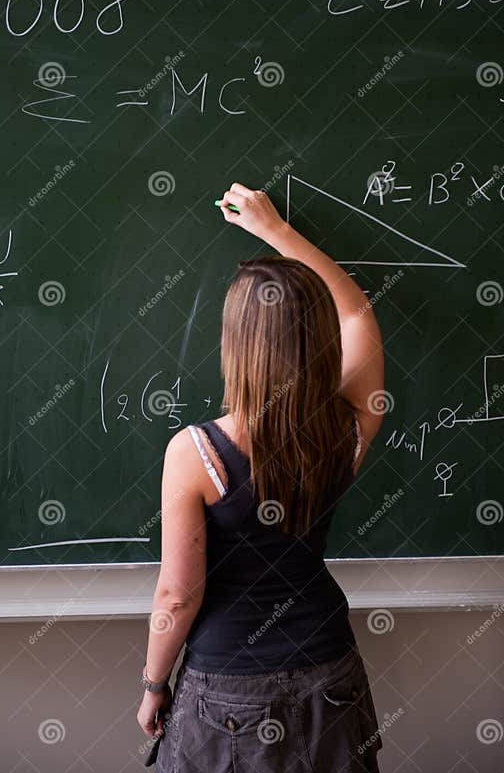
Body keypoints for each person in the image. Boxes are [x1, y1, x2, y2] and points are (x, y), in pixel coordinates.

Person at [137, 181, 385, 772]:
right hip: (331, 670)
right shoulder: (350, 426)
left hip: (227, 688)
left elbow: (178, 595)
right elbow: (356, 312)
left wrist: (153, 684)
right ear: (320, 339)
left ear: (235, 343)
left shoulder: (196, 453)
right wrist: (275, 232)